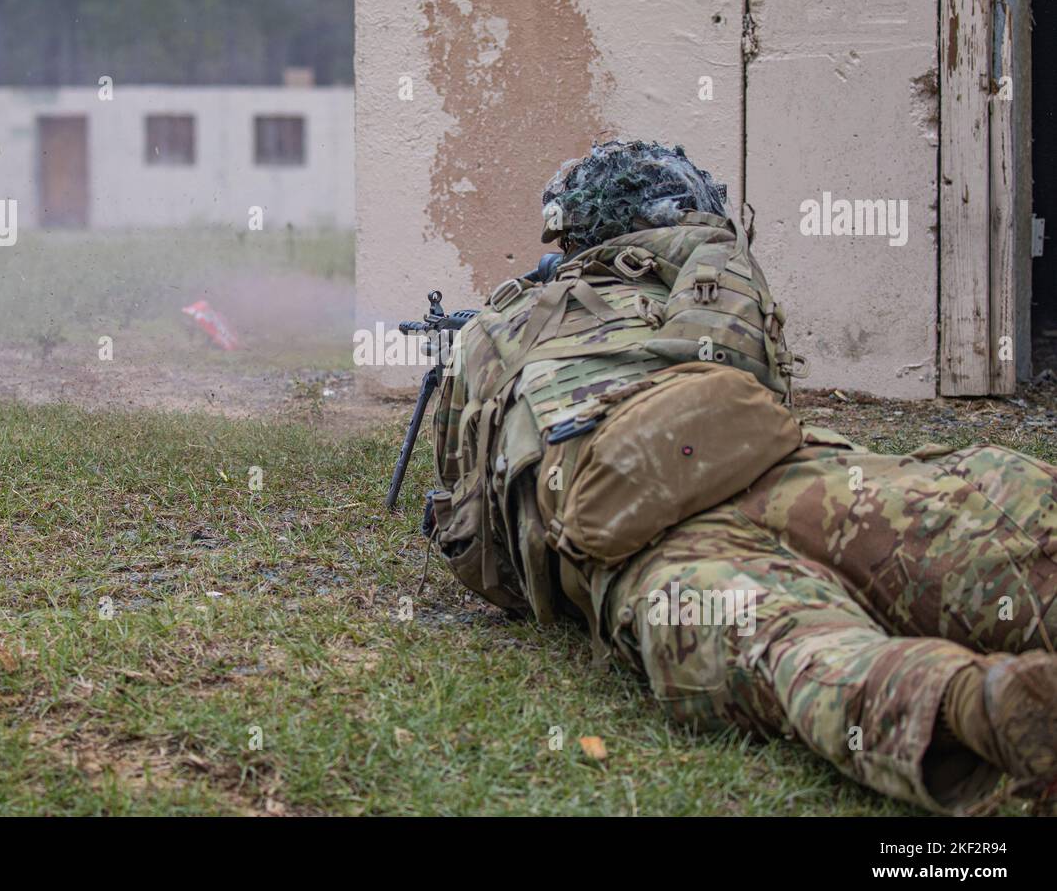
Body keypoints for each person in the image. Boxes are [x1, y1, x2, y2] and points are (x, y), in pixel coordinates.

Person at [428, 139, 1057, 814]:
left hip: (630, 541)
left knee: (792, 649)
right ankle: (978, 699)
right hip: (768, 479)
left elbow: (474, 520)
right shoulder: (703, 275)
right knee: (978, 534)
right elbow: (736, 358)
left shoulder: (494, 325)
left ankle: (968, 701)